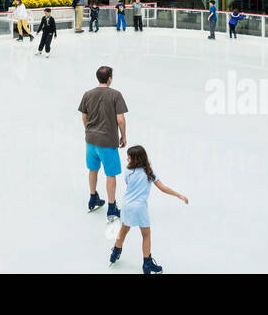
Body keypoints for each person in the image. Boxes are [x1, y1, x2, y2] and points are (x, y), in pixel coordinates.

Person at [108, 145, 188, 274]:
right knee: (146, 235)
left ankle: (115, 253)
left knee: (123, 230)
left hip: (127, 206)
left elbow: (129, 186)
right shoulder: (149, 172)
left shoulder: (128, 172)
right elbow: (162, 188)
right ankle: (147, 264)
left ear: (135, 159)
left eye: (129, 156)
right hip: (140, 208)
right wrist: (178, 195)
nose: (127, 158)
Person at [78, 66, 128, 223]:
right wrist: (124, 136)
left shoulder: (88, 94)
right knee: (110, 174)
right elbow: (120, 119)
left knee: (93, 169)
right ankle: (112, 208)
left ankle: (93, 198)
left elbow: (84, 117)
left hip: (90, 140)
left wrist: (89, 131)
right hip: (107, 141)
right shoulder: (115, 95)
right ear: (110, 78)